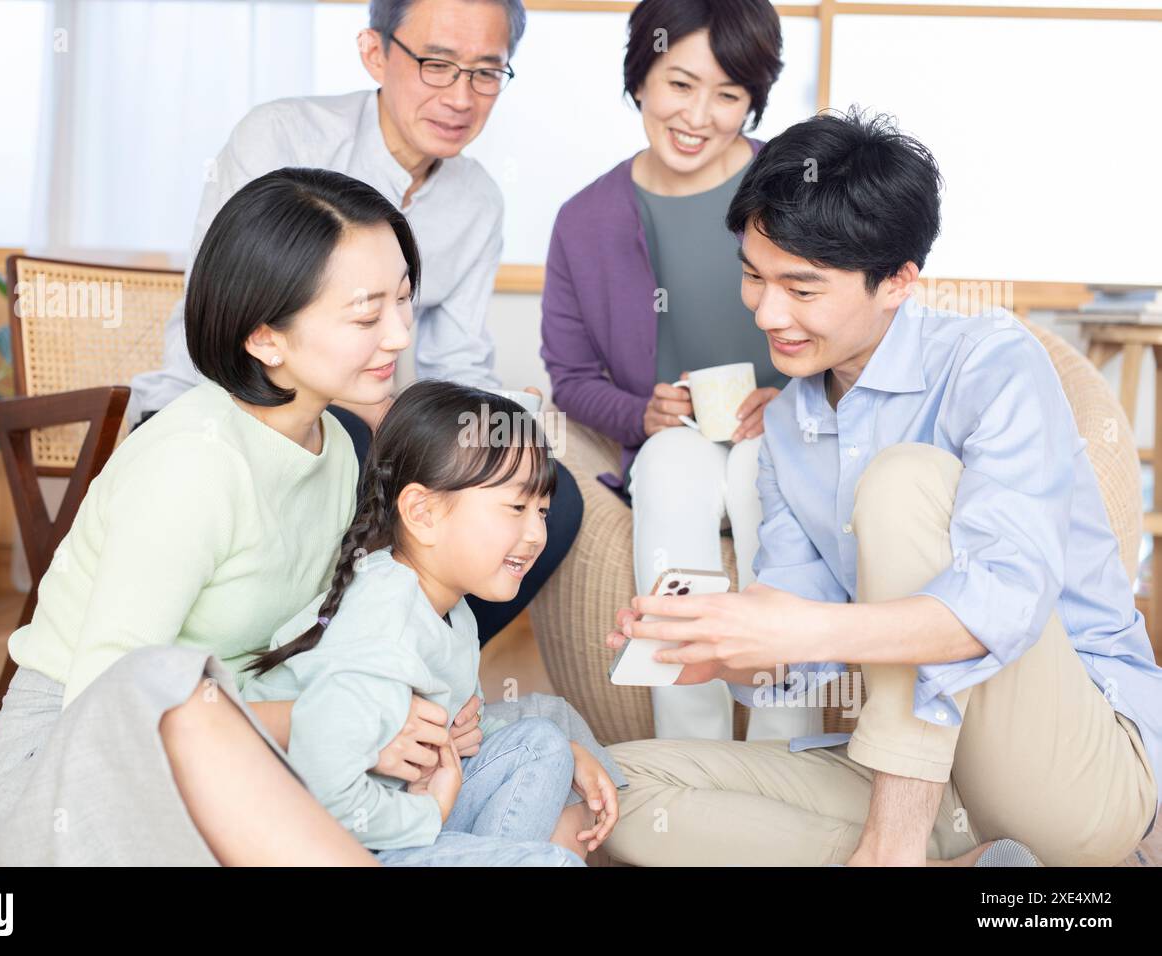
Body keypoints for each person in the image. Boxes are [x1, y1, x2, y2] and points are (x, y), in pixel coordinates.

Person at [602, 110, 1162, 867]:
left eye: (802, 288)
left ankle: (895, 849)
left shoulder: (992, 362)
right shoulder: (792, 424)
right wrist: (720, 648)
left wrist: (801, 631)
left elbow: (1003, 606)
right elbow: (805, 651)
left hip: (1071, 776)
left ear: (899, 280)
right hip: (921, 784)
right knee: (616, 789)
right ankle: (961, 867)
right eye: (754, 276)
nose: (769, 314)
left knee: (902, 482)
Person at [0, 167, 478, 865]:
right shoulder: (192, 461)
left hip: (252, 734)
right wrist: (332, 726)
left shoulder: (334, 449)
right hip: (79, 762)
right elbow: (111, 701)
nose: (397, 335)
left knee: (516, 763)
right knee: (167, 681)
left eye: (403, 301)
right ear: (266, 339)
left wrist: (413, 707)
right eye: (366, 315)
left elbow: (321, 641)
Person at [130, 0, 583, 646]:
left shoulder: (477, 198)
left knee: (543, 490)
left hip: (362, 422)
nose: (462, 96)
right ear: (375, 51)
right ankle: (343, 680)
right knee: (363, 447)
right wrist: (374, 406)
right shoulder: (284, 138)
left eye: (487, 73)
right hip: (232, 407)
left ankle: (408, 670)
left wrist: (506, 425)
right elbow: (235, 321)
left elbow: (457, 367)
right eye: (437, 64)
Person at [540, 0, 820, 741]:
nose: (699, 115)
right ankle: (689, 750)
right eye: (679, 84)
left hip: (787, 433)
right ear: (641, 80)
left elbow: (857, 326)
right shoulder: (585, 219)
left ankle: (785, 749)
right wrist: (643, 413)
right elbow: (568, 377)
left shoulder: (796, 190)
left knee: (764, 468)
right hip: (676, 440)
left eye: (729, 95)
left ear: (752, 101)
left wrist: (790, 396)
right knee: (667, 469)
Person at [243, 380, 626, 865]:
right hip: (324, 841)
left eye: (542, 511)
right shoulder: (385, 620)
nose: (536, 534)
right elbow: (329, 791)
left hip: (393, 808)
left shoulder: (450, 611)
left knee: (544, 743)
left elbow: (454, 725)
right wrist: (428, 813)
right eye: (515, 508)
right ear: (423, 513)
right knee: (553, 861)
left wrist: (469, 737)